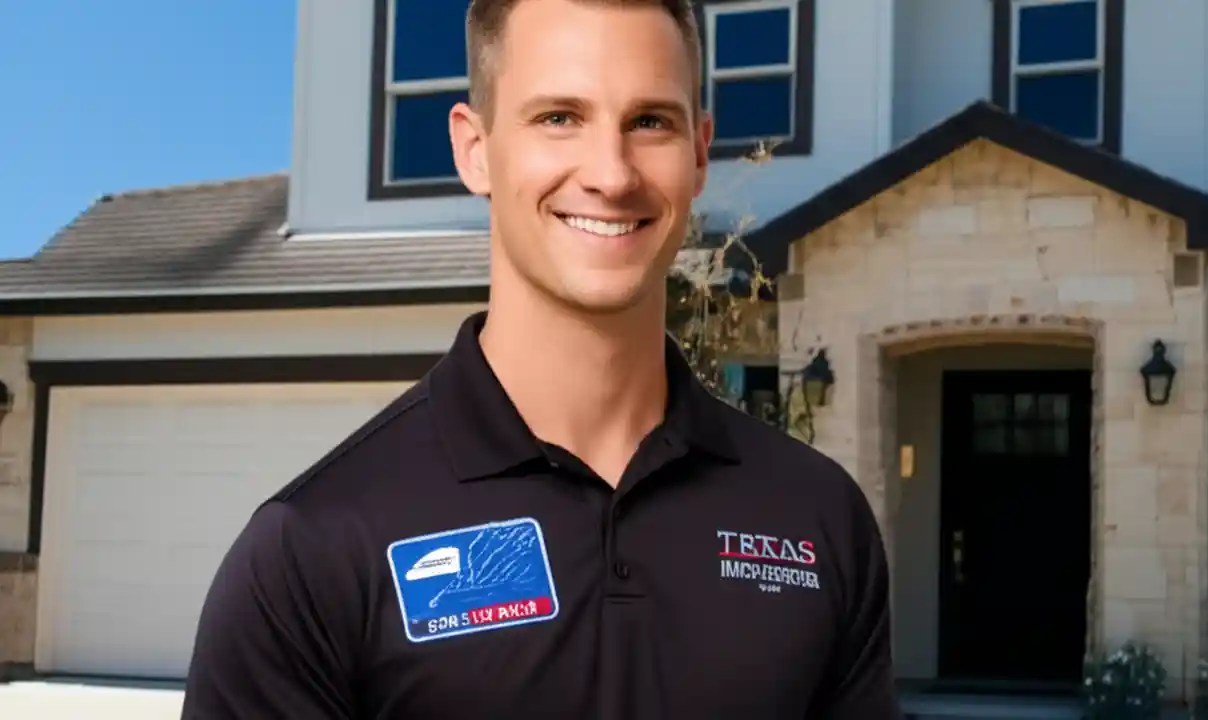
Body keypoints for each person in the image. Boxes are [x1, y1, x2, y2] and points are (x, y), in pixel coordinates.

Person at [180, 0, 902, 717]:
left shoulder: (818, 520)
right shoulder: (313, 551)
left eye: (650, 122)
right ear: (475, 148)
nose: (611, 175)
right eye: (559, 117)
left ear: (700, 151)